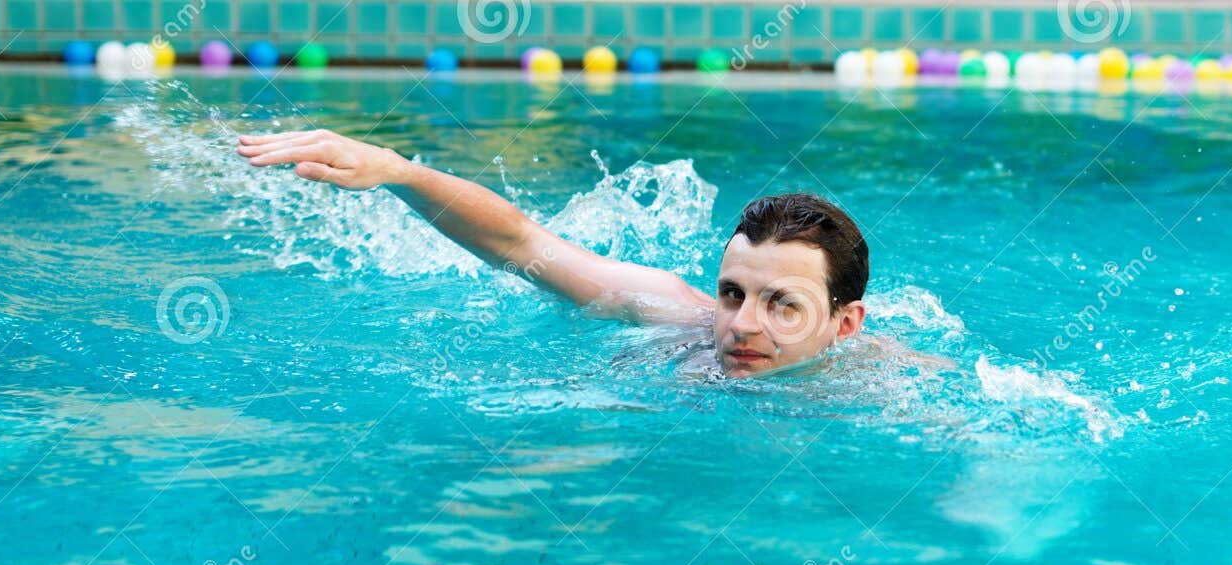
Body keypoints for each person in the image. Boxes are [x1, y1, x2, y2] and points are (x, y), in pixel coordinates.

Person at [237, 128, 871, 378]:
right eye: (732, 293)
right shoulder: (671, 314)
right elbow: (521, 242)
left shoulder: (884, 390)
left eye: (783, 304)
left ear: (845, 324)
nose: (741, 325)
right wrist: (401, 172)